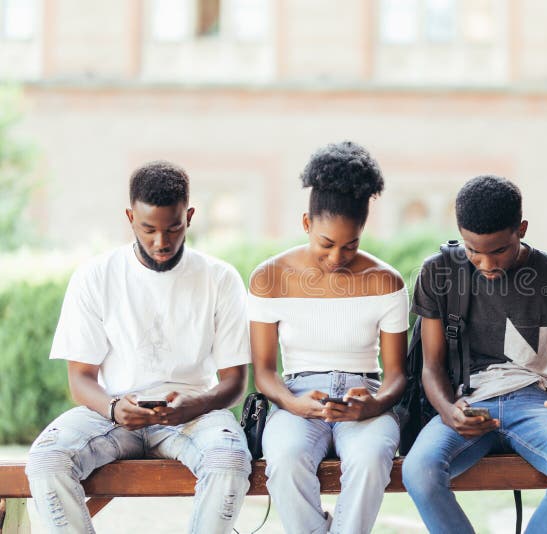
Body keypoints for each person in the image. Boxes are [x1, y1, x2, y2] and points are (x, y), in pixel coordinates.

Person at [25, 161, 253, 533]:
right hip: (111, 409)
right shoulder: (95, 276)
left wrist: (196, 403)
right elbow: (80, 379)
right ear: (130, 217)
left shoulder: (220, 278)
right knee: (47, 460)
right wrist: (114, 409)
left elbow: (234, 382)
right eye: (148, 229)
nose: (161, 242)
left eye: (173, 227)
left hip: (193, 413)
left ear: (190, 216)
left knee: (228, 459)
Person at [402, 175, 547, 534]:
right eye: (473, 250)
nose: (486, 263)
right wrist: (449, 412)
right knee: (418, 470)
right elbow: (431, 367)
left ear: (521, 229)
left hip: (537, 402)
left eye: (498, 251)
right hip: (468, 401)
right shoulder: (439, 272)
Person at [249, 141, 408, 534]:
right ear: (306, 224)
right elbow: (265, 374)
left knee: (371, 458)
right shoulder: (269, 279)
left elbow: (397, 377)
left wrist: (370, 406)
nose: (338, 257)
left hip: (363, 394)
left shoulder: (386, 282)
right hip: (298, 395)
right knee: (284, 460)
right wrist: (291, 403)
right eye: (326, 244)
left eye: (350, 245)